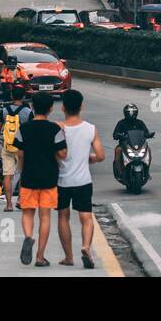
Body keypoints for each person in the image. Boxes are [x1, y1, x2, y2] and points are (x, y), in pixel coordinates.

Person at [14, 92, 68, 267]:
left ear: (32, 107)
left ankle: (29, 237)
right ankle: (39, 256)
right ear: (51, 108)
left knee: (27, 212)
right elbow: (62, 153)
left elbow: (19, 153)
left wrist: (22, 172)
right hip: (49, 178)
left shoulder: (23, 129)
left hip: (29, 177)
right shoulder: (55, 129)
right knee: (45, 217)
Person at [56, 90, 103, 270]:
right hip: (83, 181)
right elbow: (100, 155)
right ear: (81, 106)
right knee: (86, 217)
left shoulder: (59, 128)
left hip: (62, 182)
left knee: (63, 216)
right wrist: (89, 157)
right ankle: (86, 246)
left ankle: (68, 257)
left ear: (63, 107)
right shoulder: (90, 129)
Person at [0, 84, 32, 212]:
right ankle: (20, 200)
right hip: (22, 147)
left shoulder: (5, 110)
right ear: (23, 96)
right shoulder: (28, 112)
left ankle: (9, 204)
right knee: (23, 174)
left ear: (11, 95)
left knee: (7, 175)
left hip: (7, 146)